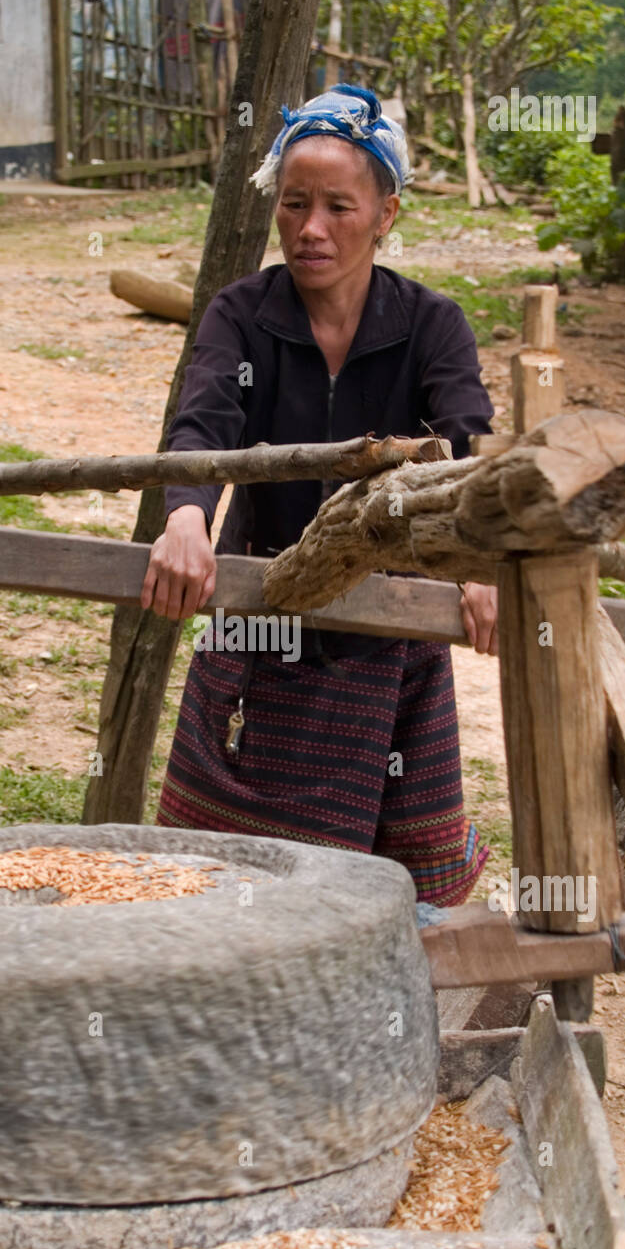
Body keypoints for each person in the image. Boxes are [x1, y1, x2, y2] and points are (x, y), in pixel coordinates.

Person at [141, 84, 498, 909]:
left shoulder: (432, 326)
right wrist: (189, 521)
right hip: (258, 611)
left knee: (397, 892)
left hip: (390, 631)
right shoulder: (242, 315)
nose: (310, 229)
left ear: (386, 214)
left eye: (339, 206)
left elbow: (469, 449)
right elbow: (202, 424)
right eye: (295, 203)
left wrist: (484, 566)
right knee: (215, 875)